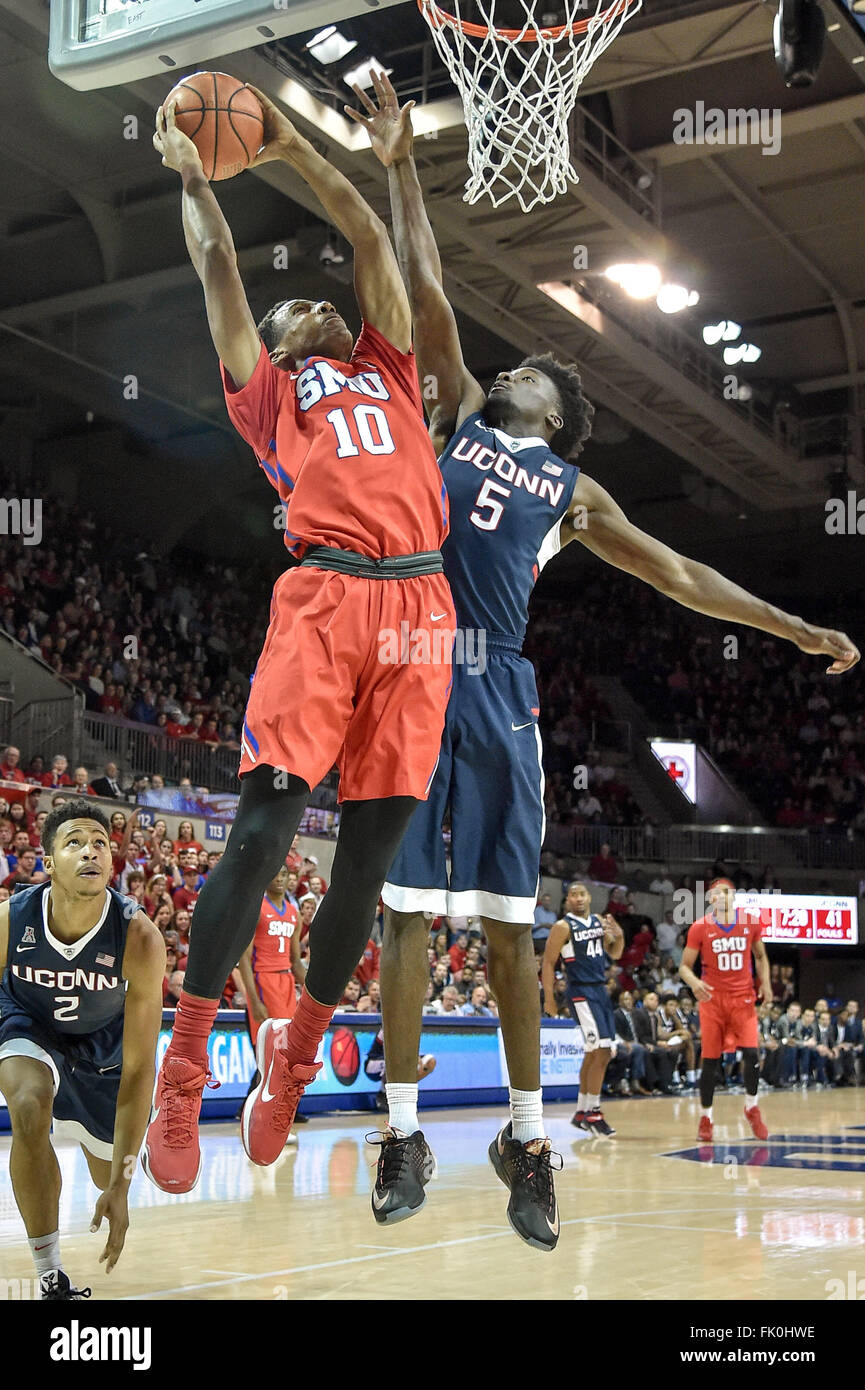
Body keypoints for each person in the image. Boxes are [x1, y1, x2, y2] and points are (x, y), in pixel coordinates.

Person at [348, 71, 859, 1250]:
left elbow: (680, 575)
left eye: (529, 368)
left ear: (556, 411)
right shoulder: (462, 414)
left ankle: (528, 1138)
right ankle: (403, 1127)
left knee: (510, 928)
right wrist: (394, 164)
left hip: (499, 686)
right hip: (416, 666)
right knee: (408, 917)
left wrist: (790, 624)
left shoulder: (574, 489)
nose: (509, 364)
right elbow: (423, 286)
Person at [143, 81, 454, 1194]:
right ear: (277, 345)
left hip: (421, 608)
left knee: (366, 867)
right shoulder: (271, 396)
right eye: (302, 311)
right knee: (264, 832)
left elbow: (370, 231)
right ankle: (186, 1068)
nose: (320, 306)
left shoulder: (393, 369)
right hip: (324, 599)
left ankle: (295, 1059)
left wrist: (303, 145)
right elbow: (219, 273)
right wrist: (195, 177)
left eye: (328, 305)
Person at [0, 800, 163, 1299]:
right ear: (48, 863)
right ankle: (48, 1273)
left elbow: (138, 1071)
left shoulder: (139, 937)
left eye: (101, 844)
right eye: (74, 842)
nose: (91, 851)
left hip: (105, 1048)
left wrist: (123, 1183)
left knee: (103, 1173)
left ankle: (114, 1173)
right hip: (29, 1022)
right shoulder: (10, 919)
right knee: (28, 1105)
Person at [679, 877, 772, 1142]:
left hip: (743, 999)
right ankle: (706, 1117)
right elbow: (684, 966)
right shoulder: (700, 927)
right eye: (717, 894)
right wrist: (695, 982)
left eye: (727, 893)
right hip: (712, 1000)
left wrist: (765, 983)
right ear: (710, 900)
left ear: (734, 897)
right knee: (710, 1061)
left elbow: (761, 956)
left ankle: (752, 1107)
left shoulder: (750, 921)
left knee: (752, 1055)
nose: (722, 897)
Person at [542, 881, 624, 1135]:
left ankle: (582, 1111)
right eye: (573, 895)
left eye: (582, 894)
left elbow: (616, 954)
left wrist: (619, 936)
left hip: (600, 990)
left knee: (595, 1052)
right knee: (601, 1052)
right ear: (567, 900)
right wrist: (549, 999)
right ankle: (594, 1112)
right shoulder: (562, 926)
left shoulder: (599, 922)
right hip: (580, 991)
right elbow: (547, 962)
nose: (578, 899)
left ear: (589, 898)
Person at [237, 868, 304, 1052]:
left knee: (286, 1049)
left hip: (287, 981)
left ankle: (263, 1081)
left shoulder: (294, 914)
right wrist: (253, 1000)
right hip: (264, 979)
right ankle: (261, 1081)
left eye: (283, 874)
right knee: (270, 1050)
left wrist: (316, 994)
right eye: (274, 873)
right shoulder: (256, 909)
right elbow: (244, 958)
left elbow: (296, 962)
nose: (279, 878)